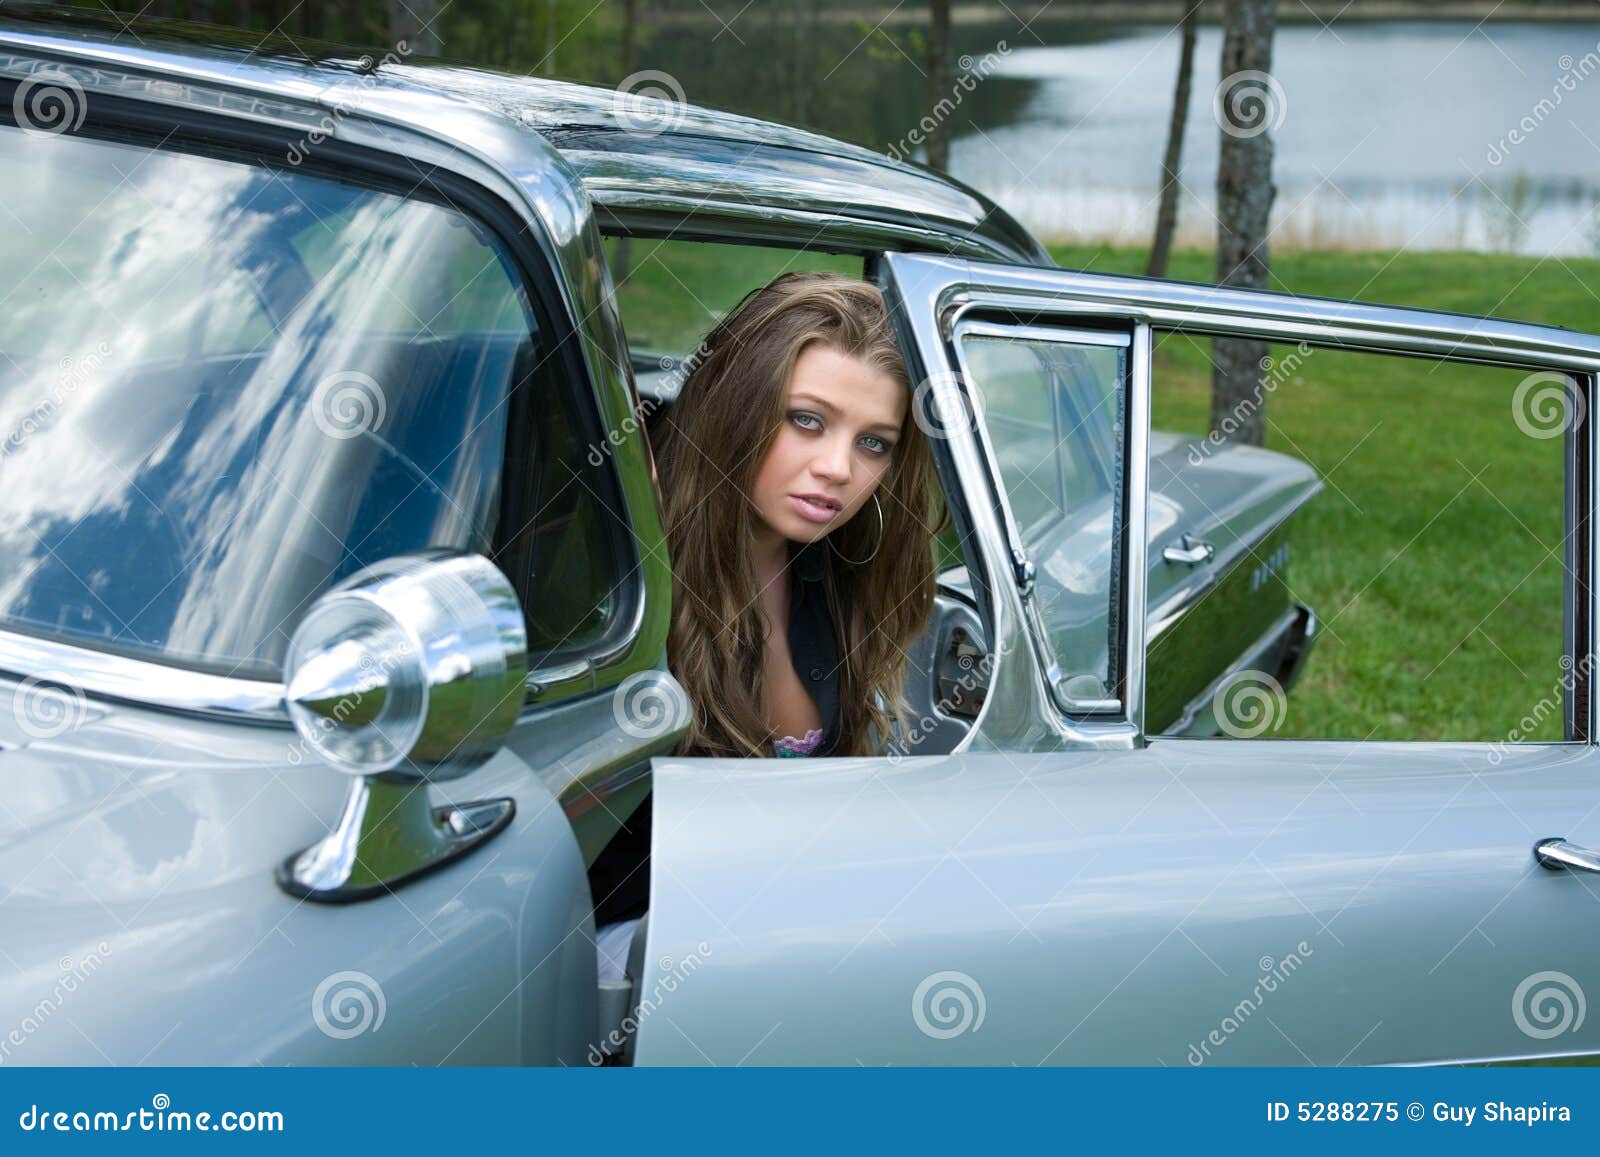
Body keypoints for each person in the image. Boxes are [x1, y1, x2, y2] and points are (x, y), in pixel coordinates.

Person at [590, 271, 947, 1004]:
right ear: (737, 404)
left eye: (874, 442)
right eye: (807, 420)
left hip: (770, 943)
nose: (839, 469)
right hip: (612, 963)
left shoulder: (837, 573)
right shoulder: (623, 568)